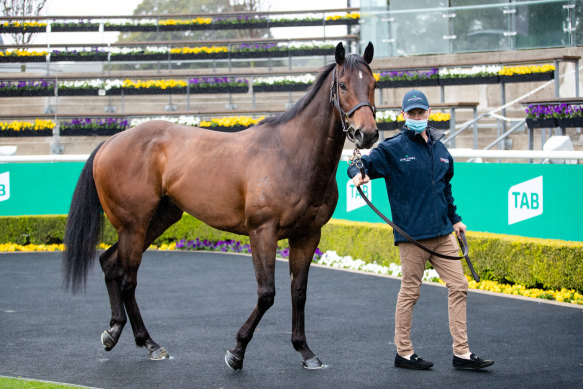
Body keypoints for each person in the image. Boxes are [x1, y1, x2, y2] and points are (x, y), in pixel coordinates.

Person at [347, 89, 494, 370]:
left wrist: (455, 219)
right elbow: (358, 163)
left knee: (459, 287)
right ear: (404, 116)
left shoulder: (440, 150)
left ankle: (461, 353)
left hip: (443, 234)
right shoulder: (392, 149)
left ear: (429, 113)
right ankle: (403, 352)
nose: (417, 117)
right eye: (412, 113)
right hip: (412, 238)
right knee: (410, 292)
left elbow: (444, 189)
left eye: (421, 112)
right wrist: (358, 174)